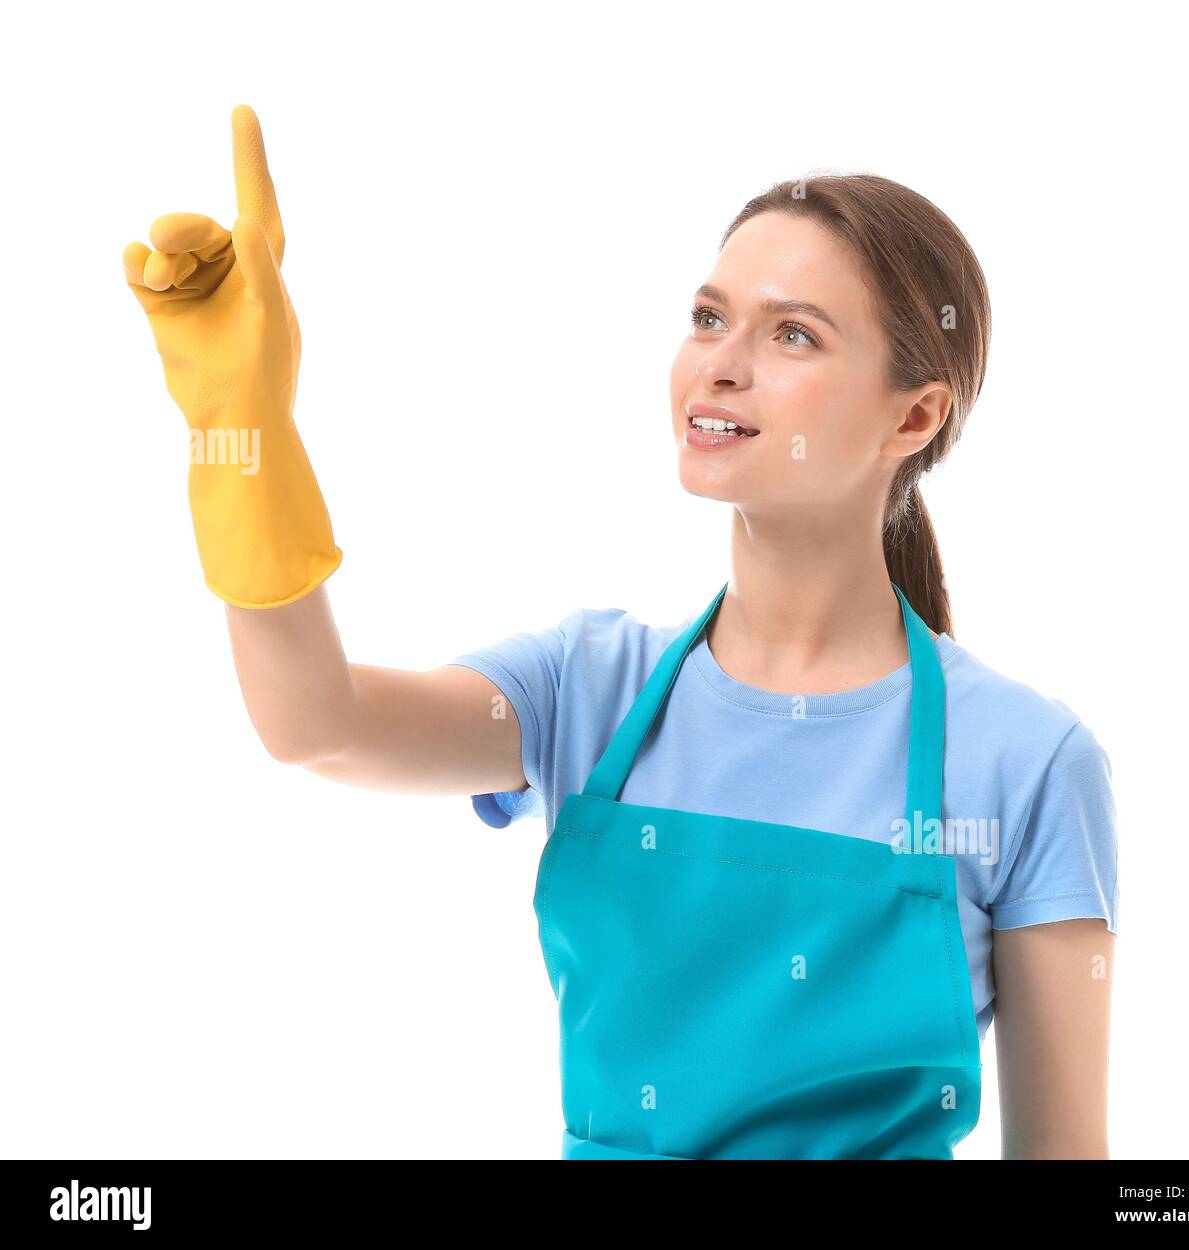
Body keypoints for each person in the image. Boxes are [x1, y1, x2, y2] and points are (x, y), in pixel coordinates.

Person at [124, 105, 1118, 1160]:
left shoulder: (1026, 759)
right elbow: (317, 722)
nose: (719, 366)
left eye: (792, 334)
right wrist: (242, 436)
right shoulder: (585, 689)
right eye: (707, 316)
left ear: (913, 418)